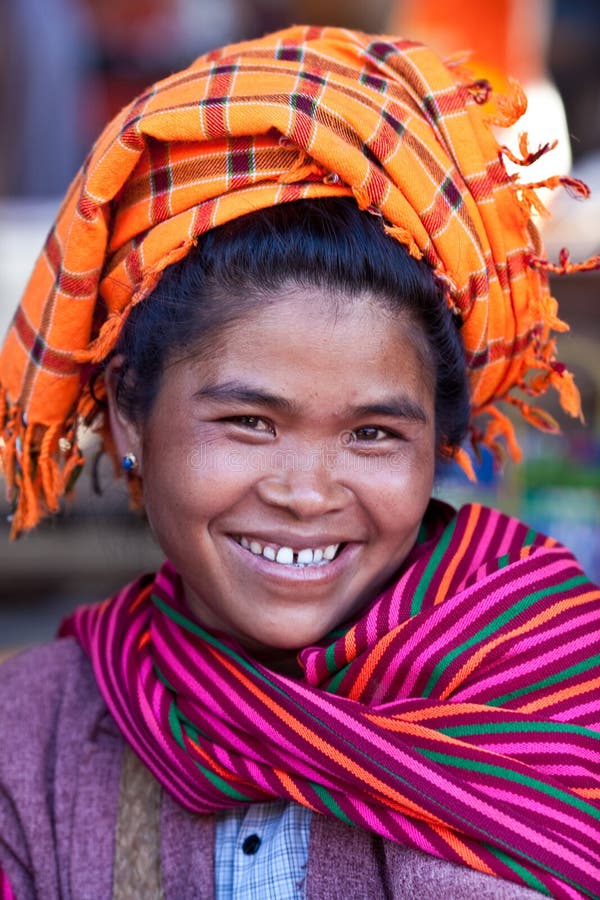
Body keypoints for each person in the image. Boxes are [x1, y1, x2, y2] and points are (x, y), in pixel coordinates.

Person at [1, 25, 599, 900]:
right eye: (249, 422)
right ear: (129, 411)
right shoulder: (33, 739)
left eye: (373, 435)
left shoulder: (544, 690)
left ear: (439, 441)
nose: (307, 494)